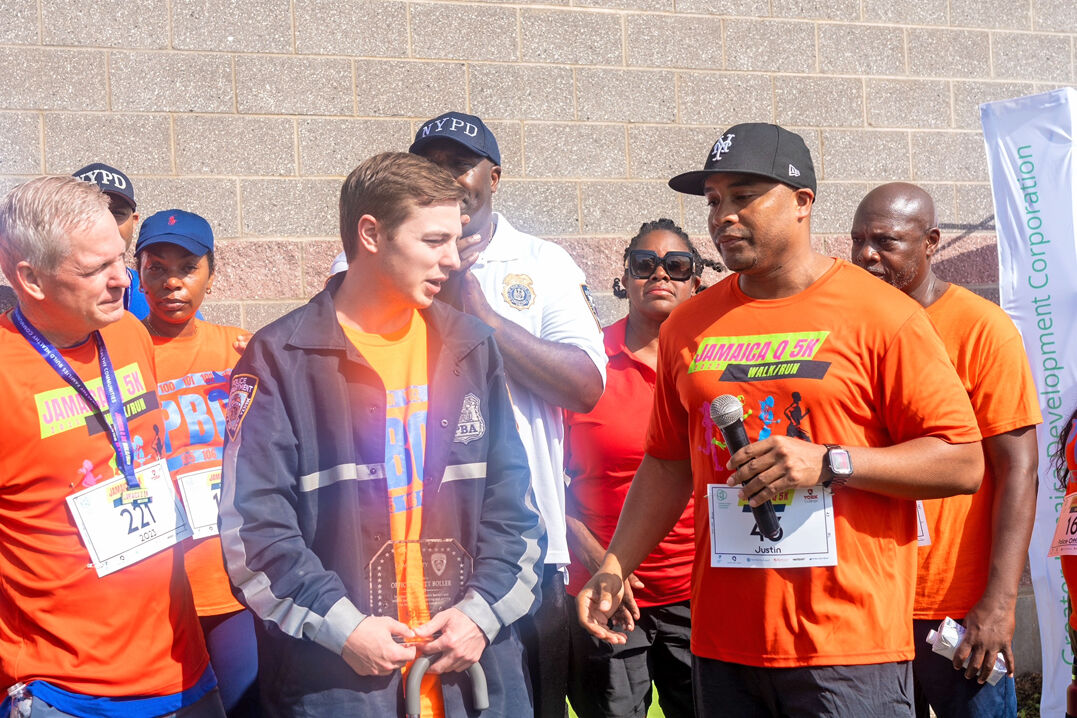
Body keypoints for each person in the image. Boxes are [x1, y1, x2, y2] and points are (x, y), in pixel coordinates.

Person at [576, 123, 985, 718]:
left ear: (802, 203)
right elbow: (667, 464)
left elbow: (962, 460)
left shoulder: (882, 316)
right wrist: (616, 565)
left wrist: (828, 463)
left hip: (847, 643)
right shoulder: (689, 325)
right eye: (715, 200)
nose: (724, 216)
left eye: (745, 196)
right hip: (723, 643)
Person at [218, 152, 545, 716]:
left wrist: (480, 615)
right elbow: (253, 530)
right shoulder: (280, 357)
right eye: (435, 241)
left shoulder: (471, 345)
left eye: (457, 240)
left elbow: (514, 504)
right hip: (339, 681)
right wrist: (343, 628)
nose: (455, 259)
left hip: (471, 671)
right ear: (371, 233)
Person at [0, 176, 223, 716]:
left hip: (182, 668)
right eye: (95, 269)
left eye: (120, 260)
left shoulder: (129, 334)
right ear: (30, 279)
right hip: (64, 688)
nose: (124, 280)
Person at [411, 111, 607, 718]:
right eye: (430, 165)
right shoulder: (375, 262)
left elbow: (585, 385)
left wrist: (482, 318)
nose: (445, 179)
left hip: (526, 550)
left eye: (460, 164)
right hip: (409, 543)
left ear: (494, 176)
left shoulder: (543, 263)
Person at [851, 182, 1040, 718]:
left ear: (931, 242)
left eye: (886, 241)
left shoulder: (982, 329)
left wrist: (1000, 603)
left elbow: (1019, 469)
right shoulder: (852, 327)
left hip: (954, 608)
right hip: (868, 600)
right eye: (858, 239)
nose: (867, 254)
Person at [565, 219, 714, 718]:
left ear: (696, 280)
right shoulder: (586, 364)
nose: (660, 276)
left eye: (676, 266)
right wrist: (597, 558)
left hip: (699, 592)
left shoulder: (716, 366)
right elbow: (537, 483)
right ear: (624, 278)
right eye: (644, 265)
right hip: (603, 589)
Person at [136, 209, 259, 717]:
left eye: (187, 267)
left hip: (227, 581)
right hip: (152, 584)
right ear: (135, 272)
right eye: (155, 267)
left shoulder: (239, 349)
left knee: (244, 705)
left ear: (211, 272)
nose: (171, 283)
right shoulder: (118, 352)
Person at [72, 162, 148, 318]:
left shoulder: (159, 297)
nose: (105, 223)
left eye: (117, 213)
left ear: (134, 221)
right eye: (91, 211)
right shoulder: (46, 292)